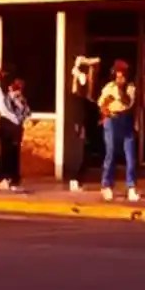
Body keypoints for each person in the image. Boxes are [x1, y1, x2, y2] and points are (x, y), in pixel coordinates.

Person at [99, 60, 140, 202]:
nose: (119, 78)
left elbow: (128, 102)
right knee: (110, 152)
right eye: (117, 75)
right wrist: (105, 111)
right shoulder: (109, 87)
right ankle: (107, 185)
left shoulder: (130, 88)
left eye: (122, 76)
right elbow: (101, 103)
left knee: (130, 155)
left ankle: (131, 186)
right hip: (112, 120)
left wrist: (120, 89)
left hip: (126, 120)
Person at [67, 56, 102, 192]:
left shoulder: (89, 94)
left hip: (88, 122)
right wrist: (79, 126)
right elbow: (78, 106)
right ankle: (75, 179)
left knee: (88, 152)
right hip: (83, 123)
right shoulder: (81, 90)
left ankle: (77, 179)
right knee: (84, 153)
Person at [0, 67, 26, 192]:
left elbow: (24, 109)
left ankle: (12, 179)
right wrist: (16, 120)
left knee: (13, 153)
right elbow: (3, 109)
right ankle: (2, 178)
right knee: (3, 153)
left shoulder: (11, 91)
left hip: (13, 126)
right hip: (5, 124)